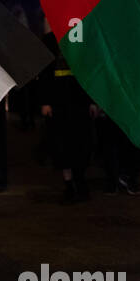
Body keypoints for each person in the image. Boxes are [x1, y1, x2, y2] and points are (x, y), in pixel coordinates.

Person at [40, 28, 93, 204]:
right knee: (61, 144)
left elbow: (88, 71)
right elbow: (45, 73)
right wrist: (46, 101)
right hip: (58, 103)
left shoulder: (79, 36)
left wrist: (91, 101)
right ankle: (69, 184)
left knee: (80, 142)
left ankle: (80, 180)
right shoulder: (49, 40)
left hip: (78, 102)